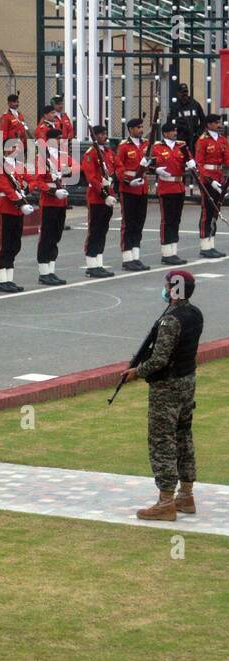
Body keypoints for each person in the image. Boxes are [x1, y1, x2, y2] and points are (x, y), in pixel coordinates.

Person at [124, 270, 203, 521]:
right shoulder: (195, 314)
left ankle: (166, 500)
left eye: (168, 285)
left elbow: (159, 359)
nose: (165, 288)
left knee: (161, 440)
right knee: (183, 436)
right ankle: (186, 495)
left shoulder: (170, 321)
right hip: (187, 382)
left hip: (166, 387)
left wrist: (137, 372)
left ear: (175, 288)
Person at [0, 141, 37, 292]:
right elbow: (5, 186)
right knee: (5, 244)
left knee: (15, 244)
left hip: (18, 208)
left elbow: (32, 180)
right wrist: (19, 200)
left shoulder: (19, 166)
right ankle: (2, 280)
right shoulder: (0, 166)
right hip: (7, 207)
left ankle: (9, 279)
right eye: (12, 147)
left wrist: (26, 190)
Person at [30, 127, 71, 285]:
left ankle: (51, 269)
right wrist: (53, 191)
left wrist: (64, 172)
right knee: (47, 236)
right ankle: (43, 272)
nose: (62, 140)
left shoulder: (62, 156)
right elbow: (37, 181)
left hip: (61, 201)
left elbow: (73, 170)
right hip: (49, 201)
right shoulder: (41, 157)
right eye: (59, 138)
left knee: (56, 235)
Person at [151, 120, 193, 265]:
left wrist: (191, 164)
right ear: (164, 133)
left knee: (176, 219)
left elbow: (188, 161)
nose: (175, 133)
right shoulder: (157, 148)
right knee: (167, 220)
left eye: (175, 131)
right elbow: (149, 164)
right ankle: (166, 253)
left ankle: (173, 251)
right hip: (166, 186)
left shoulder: (181, 146)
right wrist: (155, 170)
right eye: (172, 131)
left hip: (179, 186)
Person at [114, 117, 152, 271]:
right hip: (129, 187)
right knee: (128, 223)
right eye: (138, 127)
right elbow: (119, 168)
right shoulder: (123, 146)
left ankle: (136, 256)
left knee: (139, 222)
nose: (141, 130)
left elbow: (151, 163)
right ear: (130, 130)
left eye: (142, 127)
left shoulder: (146, 144)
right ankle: (127, 258)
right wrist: (129, 181)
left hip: (142, 187)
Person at [81, 125, 118, 278]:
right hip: (97, 198)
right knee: (95, 231)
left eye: (105, 133)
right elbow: (92, 178)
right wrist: (104, 194)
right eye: (101, 134)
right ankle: (91, 265)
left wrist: (112, 179)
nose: (104, 136)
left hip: (107, 196)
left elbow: (115, 168)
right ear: (94, 136)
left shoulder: (108, 152)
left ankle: (99, 263)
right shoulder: (91, 154)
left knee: (103, 231)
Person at [193, 113, 227, 259]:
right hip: (208, 179)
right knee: (207, 211)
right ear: (209, 124)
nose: (219, 125)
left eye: (219, 122)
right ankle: (205, 245)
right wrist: (209, 180)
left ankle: (211, 243)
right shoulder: (202, 141)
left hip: (219, 177)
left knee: (215, 211)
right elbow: (199, 164)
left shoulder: (222, 139)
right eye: (216, 123)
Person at [171, 82, 205, 147]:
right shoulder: (175, 107)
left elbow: (203, 120)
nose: (185, 94)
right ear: (178, 93)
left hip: (195, 136)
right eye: (182, 92)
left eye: (186, 92)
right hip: (181, 138)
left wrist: (198, 133)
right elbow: (171, 123)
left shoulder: (195, 104)